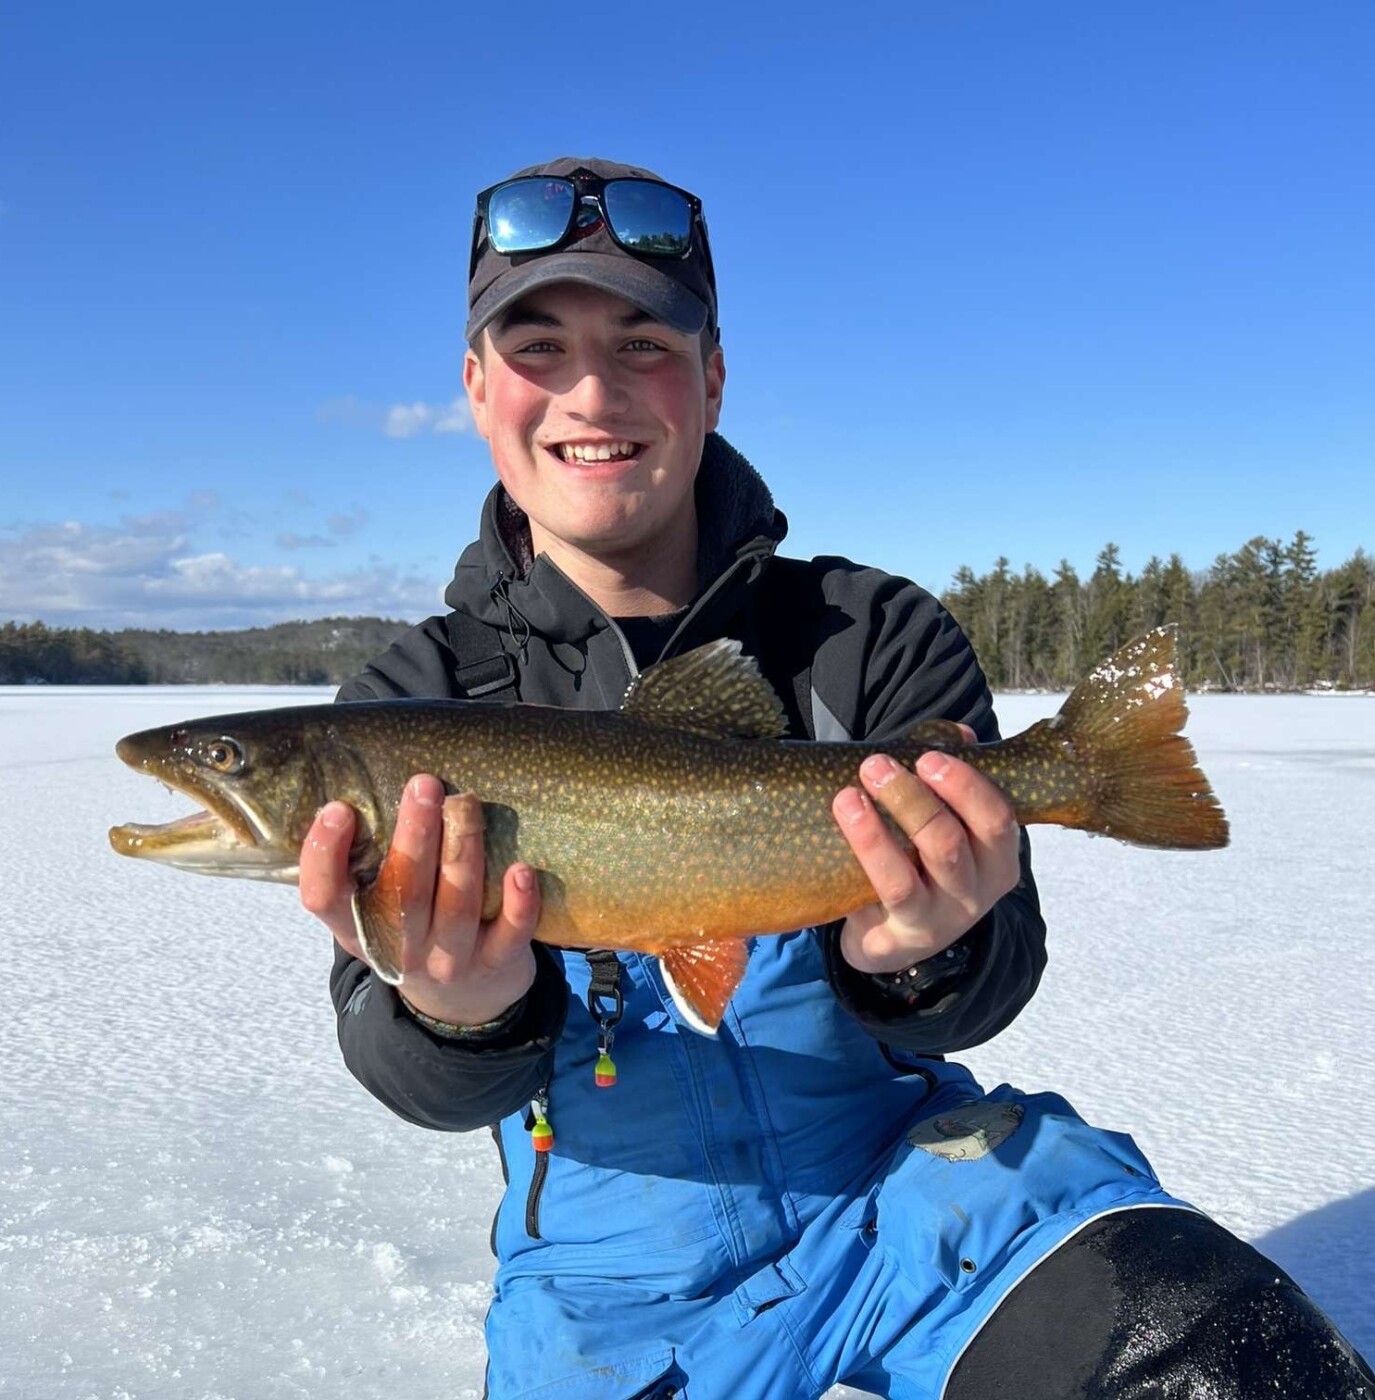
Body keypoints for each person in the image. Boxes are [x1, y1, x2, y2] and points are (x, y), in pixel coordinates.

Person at [300, 157, 1375, 1399]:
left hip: (919, 1185)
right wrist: (459, 1009)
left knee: (1233, 1362)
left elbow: (991, 979)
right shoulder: (410, 704)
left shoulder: (870, 634)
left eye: (644, 341)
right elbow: (409, 1072)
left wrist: (922, 951)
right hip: (610, 1269)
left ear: (711, 377)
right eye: (538, 345)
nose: (592, 389)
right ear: (478, 387)